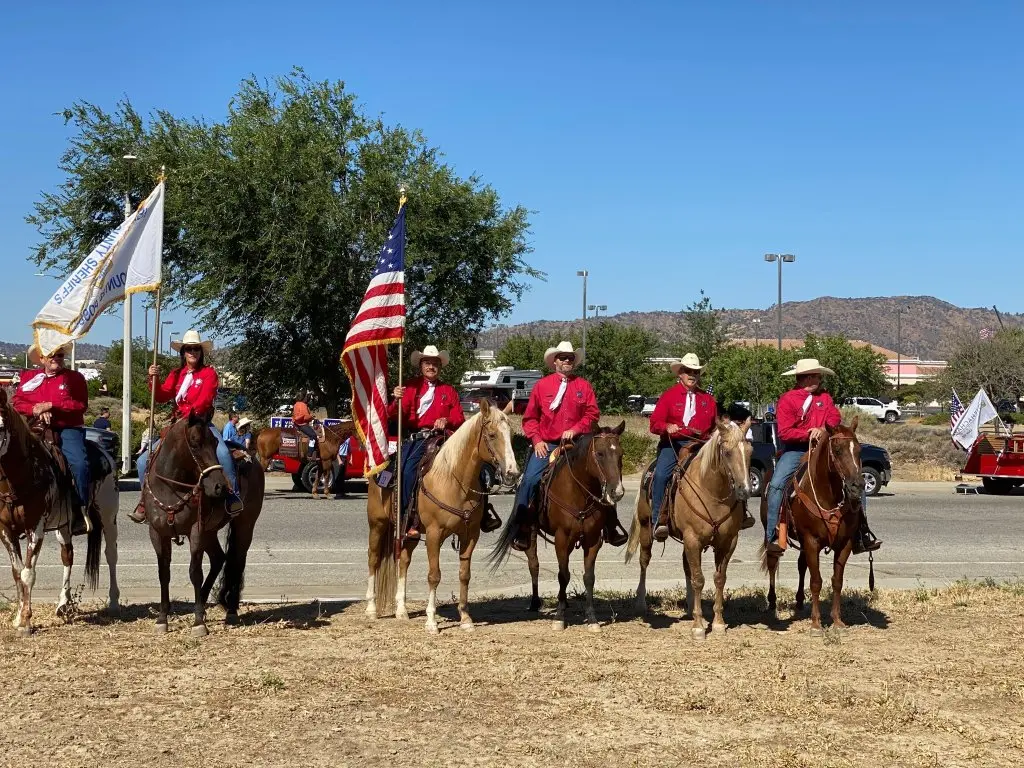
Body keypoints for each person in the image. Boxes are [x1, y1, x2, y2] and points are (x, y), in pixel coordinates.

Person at [510, 341, 628, 550]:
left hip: (579, 442)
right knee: (528, 480)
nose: (567, 361)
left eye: (570, 358)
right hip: (547, 443)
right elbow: (530, 419)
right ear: (554, 361)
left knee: (605, 474)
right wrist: (536, 441)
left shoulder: (583, 386)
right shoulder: (542, 386)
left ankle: (611, 524)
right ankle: (522, 528)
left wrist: (575, 429)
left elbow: (592, 414)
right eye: (563, 357)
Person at [765, 358, 882, 556]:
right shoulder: (787, 399)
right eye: (816, 375)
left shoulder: (825, 398)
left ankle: (861, 532)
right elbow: (784, 432)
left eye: (819, 375)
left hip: (824, 449)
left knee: (855, 480)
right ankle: (773, 535)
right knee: (776, 484)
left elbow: (834, 417)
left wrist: (822, 429)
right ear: (805, 378)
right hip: (796, 450)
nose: (819, 379)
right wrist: (807, 434)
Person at [129, 329, 242, 523]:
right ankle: (145, 502)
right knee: (142, 462)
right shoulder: (176, 374)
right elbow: (163, 395)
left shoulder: (209, 373)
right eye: (189, 349)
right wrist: (153, 379)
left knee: (222, 454)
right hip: (178, 426)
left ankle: (232, 495)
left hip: (200, 423)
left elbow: (206, 399)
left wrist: (190, 414)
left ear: (201, 352)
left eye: (196, 349)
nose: (193, 352)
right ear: (183, 352)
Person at [388, 345, 466, 538]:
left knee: (473, 465)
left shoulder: (449, 390)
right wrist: (396, 400)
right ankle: (407, 517)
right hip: (419, 439)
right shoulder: (409, 387)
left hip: (445, 438)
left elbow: (460, 418)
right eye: (427, 363)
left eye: (435, 364)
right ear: (421, 366)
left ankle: (480, 513)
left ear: (440, 367)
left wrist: (446, 420)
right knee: (406, 471)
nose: (431, 367)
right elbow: (394, 416)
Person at [647, 353, 720, 542]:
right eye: (688, 371)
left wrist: (714, 435)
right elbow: (654, 423)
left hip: (701, 445)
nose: (692, 375)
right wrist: (667, 427)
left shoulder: (708, 400)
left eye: (695, 371)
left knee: (728, 470)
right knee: (662, 474)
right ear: (680, 373)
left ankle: (738, 514)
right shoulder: (668, 396)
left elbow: (714, 426)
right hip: (673, 444)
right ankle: (658, 519)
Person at [13, 342, 90, 511]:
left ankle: (80, 507)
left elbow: (80, 404)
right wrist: (34, 409)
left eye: (60, 355)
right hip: (35, 426)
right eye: (51, 354)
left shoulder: (75, 377)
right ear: (41, 358)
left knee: (79, 463)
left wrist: (51, 405)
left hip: (67, 427)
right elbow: (17, 402)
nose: (56, 358)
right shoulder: (29, 377)